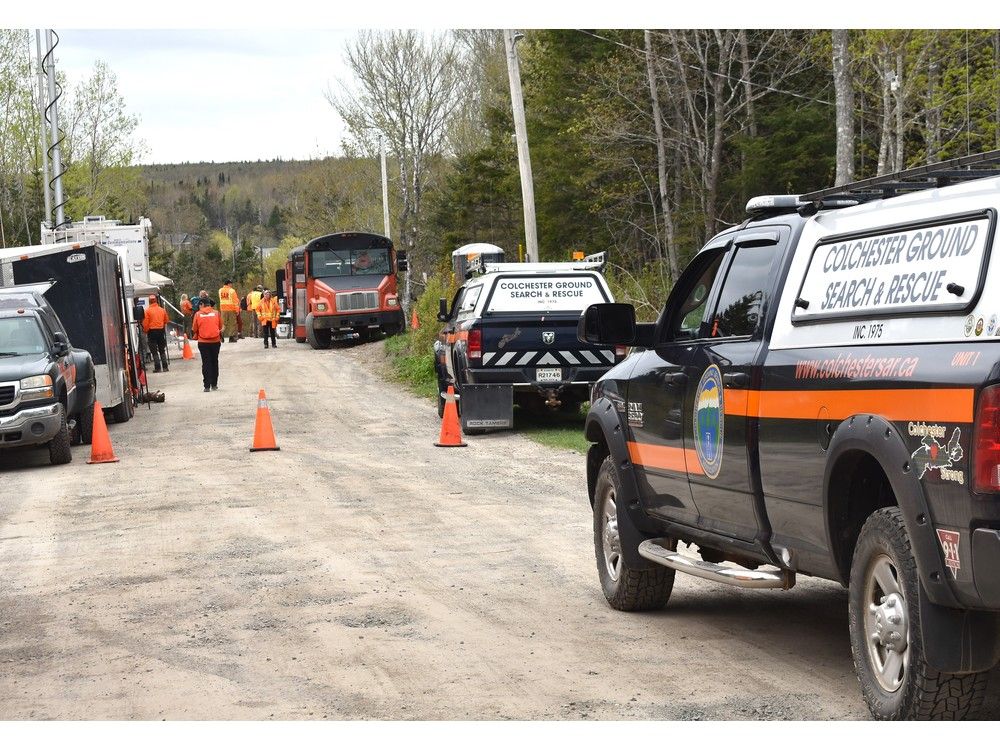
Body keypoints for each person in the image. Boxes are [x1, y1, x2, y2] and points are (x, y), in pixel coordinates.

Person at [192, 296, 223, 392]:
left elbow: (194, 328)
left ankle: (206, 386)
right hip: (215, 341)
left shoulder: (197, 314)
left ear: (202, 304)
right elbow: (220, 326)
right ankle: (214, 384)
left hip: (203, 342)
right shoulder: (216, 313)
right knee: (214, 362)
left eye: (199, 305)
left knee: (206, 363)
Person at [143, 294, 170, 372]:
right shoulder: (162, 310)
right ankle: (165, 367)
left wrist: (146, 331)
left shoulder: (147, 311)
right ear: (156, 301)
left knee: (154, 351)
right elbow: (166, 320)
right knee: (162, 350)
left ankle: (157, 367)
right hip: (161, 331)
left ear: (149, 301)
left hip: (152, 332)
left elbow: (145, 323)